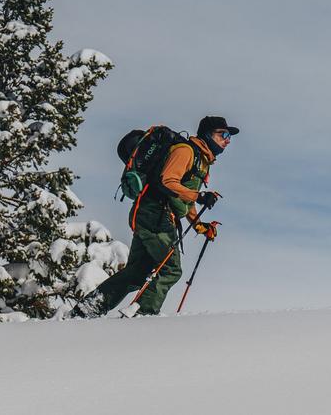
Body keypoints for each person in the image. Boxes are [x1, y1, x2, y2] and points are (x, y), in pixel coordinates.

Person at [73, 116, 238, 317]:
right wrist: (199, 196)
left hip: (152, 214)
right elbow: (168, 181)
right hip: (156, 214)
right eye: (224, 134)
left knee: (136, 273)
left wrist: (199, 226)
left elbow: (185, 200)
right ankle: (142, 314)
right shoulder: (186, 151)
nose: (228, 140)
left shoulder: (202, 162)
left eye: (229, 136)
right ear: (208, 134)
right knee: (171, 270)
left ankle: (87, 309)